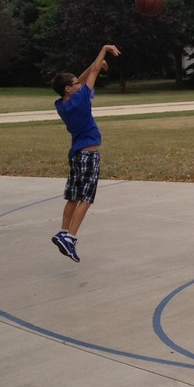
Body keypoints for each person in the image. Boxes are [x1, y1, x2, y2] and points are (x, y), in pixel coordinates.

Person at [50, 44, 121, 262]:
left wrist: (94, 65)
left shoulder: (62, 104)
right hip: (89, 155)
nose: (78, 84)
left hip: (76, 155)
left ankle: (63, 231)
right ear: (69, 89)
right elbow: (92, 74)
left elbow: (83, 77)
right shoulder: (81, 101)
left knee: (73, 196)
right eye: (74, 84)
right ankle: (70, 238)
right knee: (86, 198)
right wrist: (104, 50)